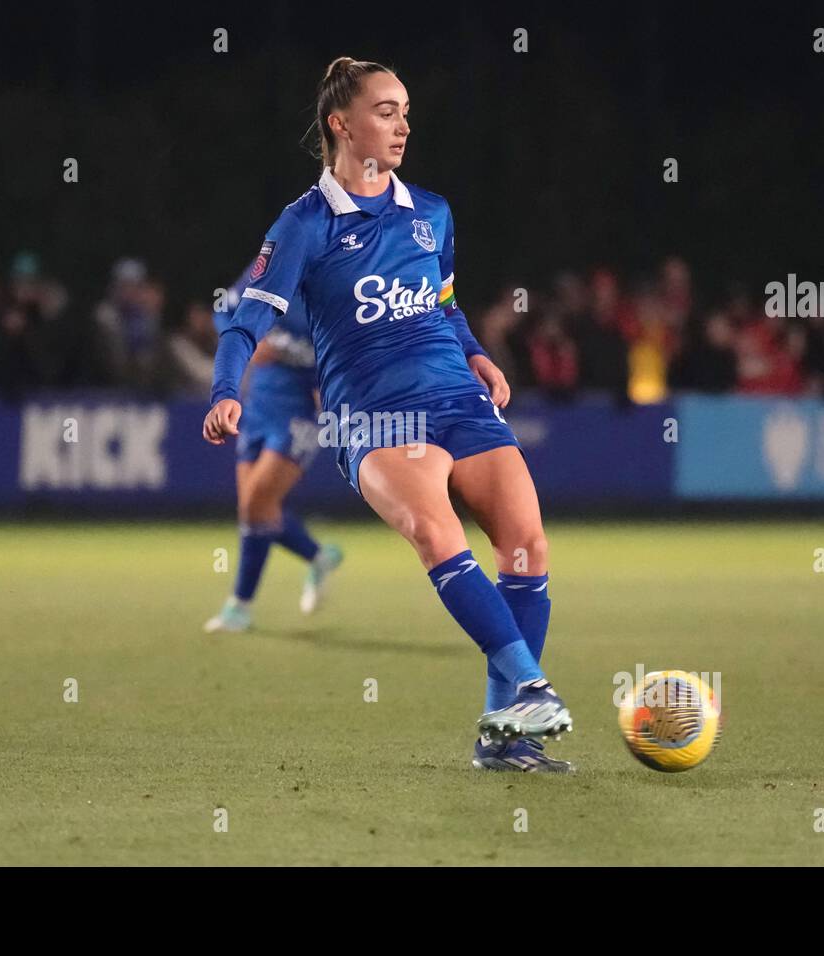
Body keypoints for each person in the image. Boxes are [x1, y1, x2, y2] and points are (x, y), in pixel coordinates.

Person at [203, 57, 574, 772]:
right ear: (341, 123)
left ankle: (507, 738)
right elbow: (243, 322)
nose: (403, 124)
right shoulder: (304, 224)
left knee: (527, 545)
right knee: (437, 533)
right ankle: (526, 687)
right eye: (386, 110)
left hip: (457, 397)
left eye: (405, 110)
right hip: (373, 416)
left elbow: (444, 301)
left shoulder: (431, 212)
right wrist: (227, 389)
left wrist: (473, 353)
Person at [203, 265, 343, 633]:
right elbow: (223, 311)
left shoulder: (337, 287)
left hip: (300, 416)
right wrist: (247, 345)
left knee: (255, 504)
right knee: (255, 508)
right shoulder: (267, 271)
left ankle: (240, 606)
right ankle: (318, 555)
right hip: (259, 404)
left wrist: (327, 385)